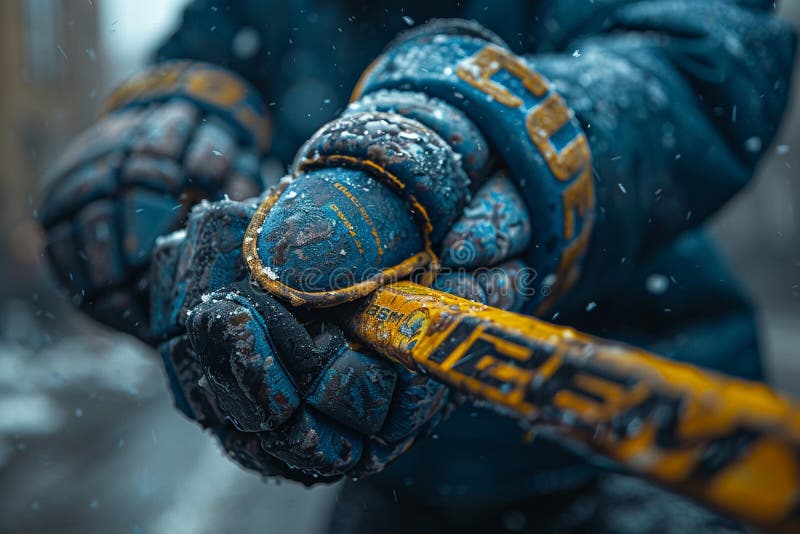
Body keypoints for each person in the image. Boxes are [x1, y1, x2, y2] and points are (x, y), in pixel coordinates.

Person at [39, 2, 796, 532]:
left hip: (640, 452)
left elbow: (699, 54)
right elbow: (206, 59)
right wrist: (163, 145)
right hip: (401, 476)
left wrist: (491, 135)